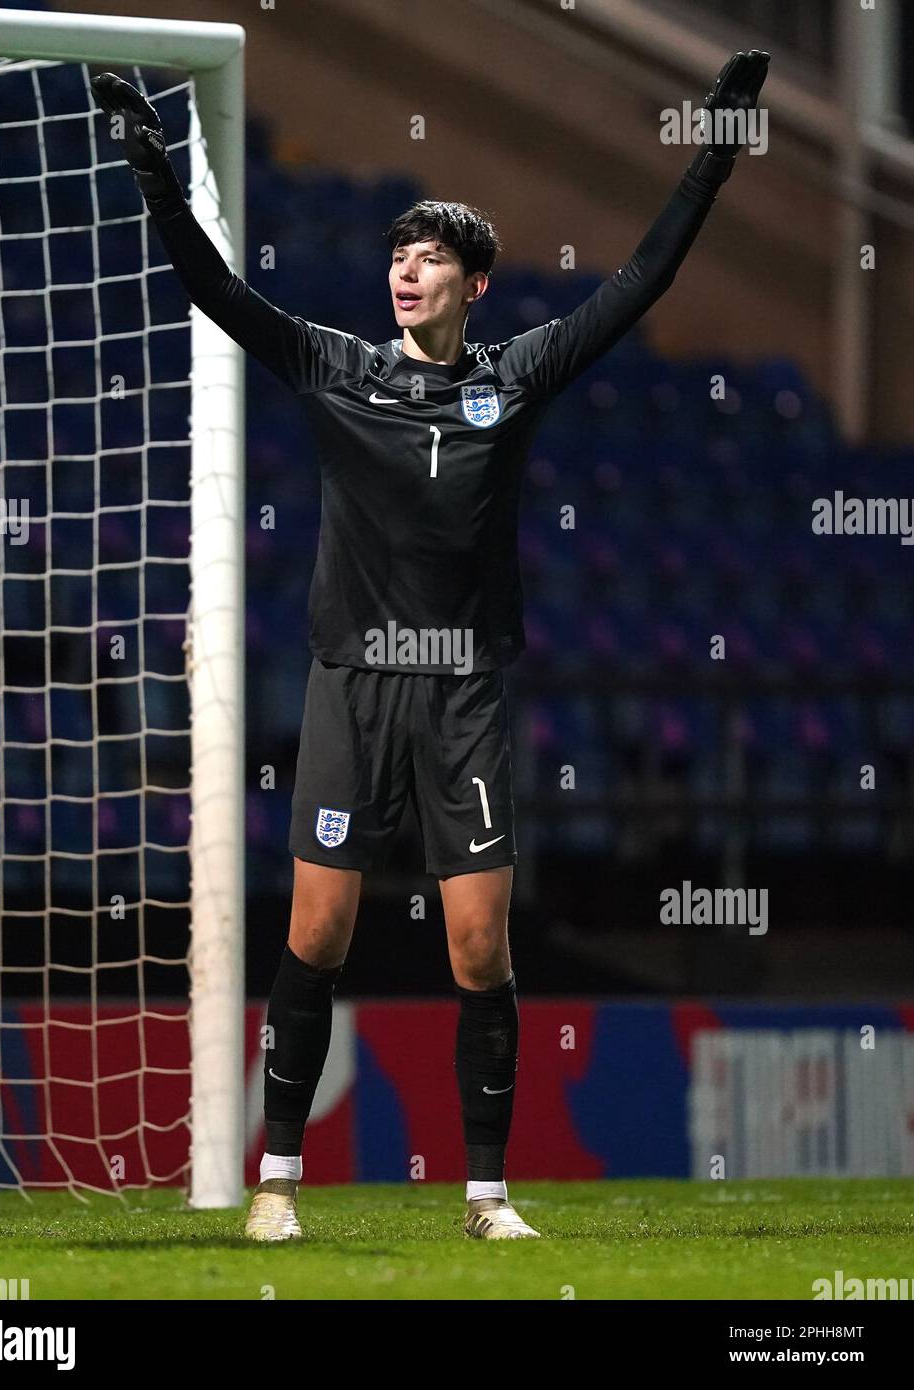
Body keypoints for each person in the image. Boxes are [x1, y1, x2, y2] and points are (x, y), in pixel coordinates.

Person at [92, 49, 769, 1241]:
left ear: (477, 284)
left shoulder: (516, 379)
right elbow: (219, 292)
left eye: (432, 258)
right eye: (399, 255)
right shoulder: (335, 366)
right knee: (317, 933)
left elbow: (642, 282)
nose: (407, 270)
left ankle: (488, 1196)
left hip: (464, 695)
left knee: (476, 943)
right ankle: (279, 1182)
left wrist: (715, 150)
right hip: (353, 688)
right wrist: (156, 174)